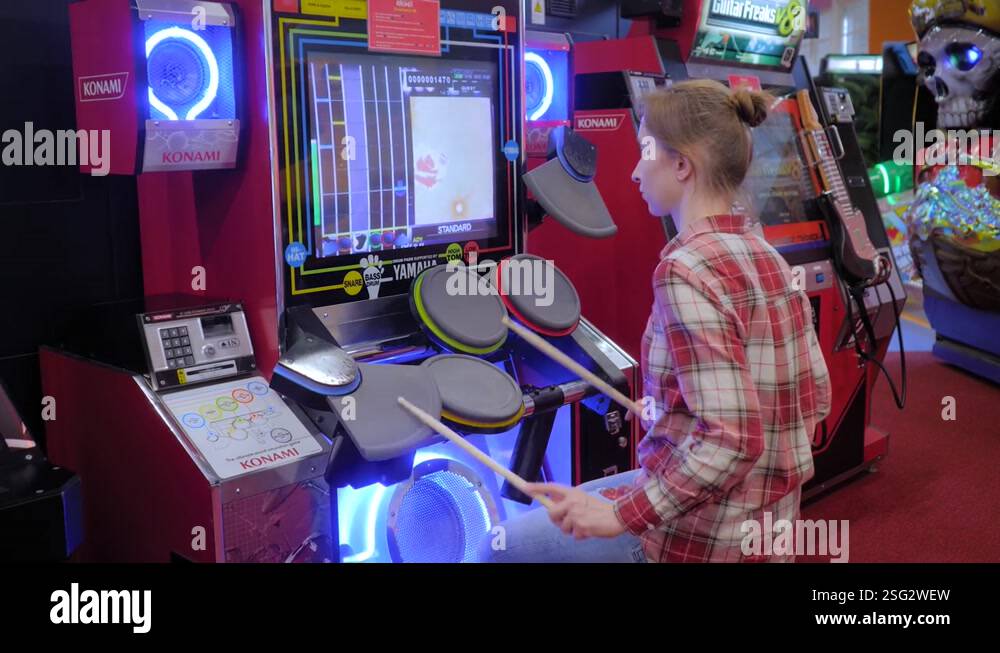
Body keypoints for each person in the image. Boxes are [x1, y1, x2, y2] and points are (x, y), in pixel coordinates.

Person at [480, 80, 832, 563]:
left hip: (701, 542)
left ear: (683, 165)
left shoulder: (685, 270)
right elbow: (811, 398)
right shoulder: (766, 253)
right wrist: (667, 409)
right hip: (770, 535)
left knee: (501, 547)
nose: (633, 171)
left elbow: (732, 443)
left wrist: (619, 517)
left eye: (646, 151)